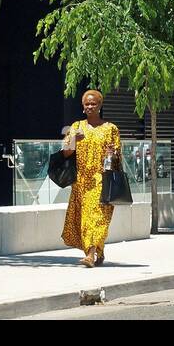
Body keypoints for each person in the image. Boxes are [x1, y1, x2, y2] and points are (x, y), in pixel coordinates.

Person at [60, 89, 121, 267]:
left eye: (93, 103)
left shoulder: (110, 128)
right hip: (82, 180)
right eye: (87, 103)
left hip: (103, 178)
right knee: (87, 217)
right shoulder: (76, 126)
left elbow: (117, 155)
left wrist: (113, 152)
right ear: (82, 106)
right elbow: (65, 153)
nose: (90, 106)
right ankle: (97, 251)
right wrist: (74, 141)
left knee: (98, 216)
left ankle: (90, 254)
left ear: (100, 106)